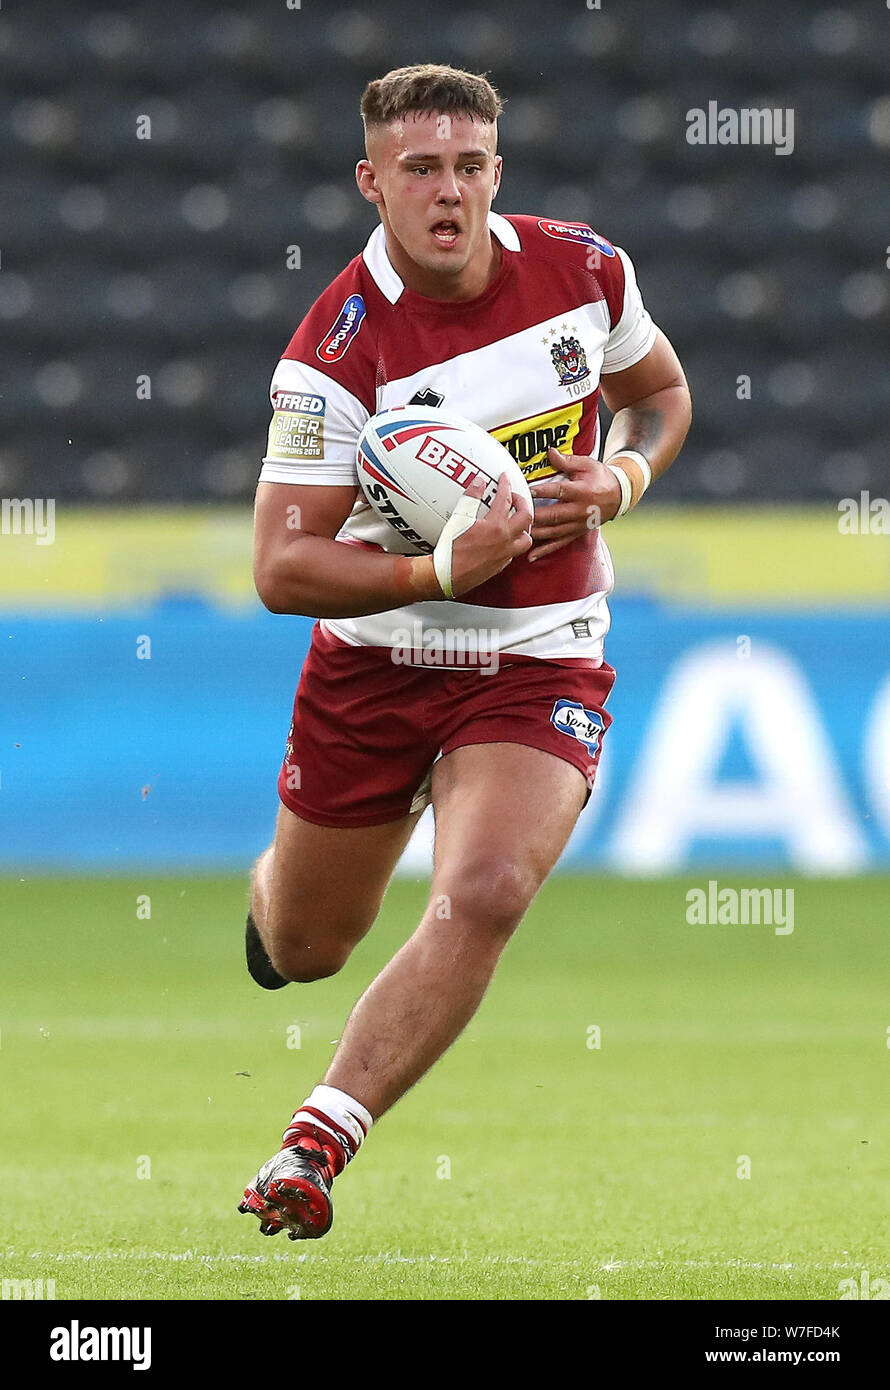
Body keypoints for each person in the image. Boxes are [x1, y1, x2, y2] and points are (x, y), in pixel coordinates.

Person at [238, 63, 691, 1240]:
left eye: (469, 166)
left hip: (542, 650)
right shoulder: (332, 352)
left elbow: (662, 394)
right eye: (420, 170)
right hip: (380, 657)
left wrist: (624, 474)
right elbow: (281, 566)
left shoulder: (586, 270)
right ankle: (272, 895)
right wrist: (437, 569)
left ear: (498, 169)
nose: (448, 193)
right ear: (370, 183)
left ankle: (315, 1138)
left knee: (483, 889)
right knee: (306, 944)